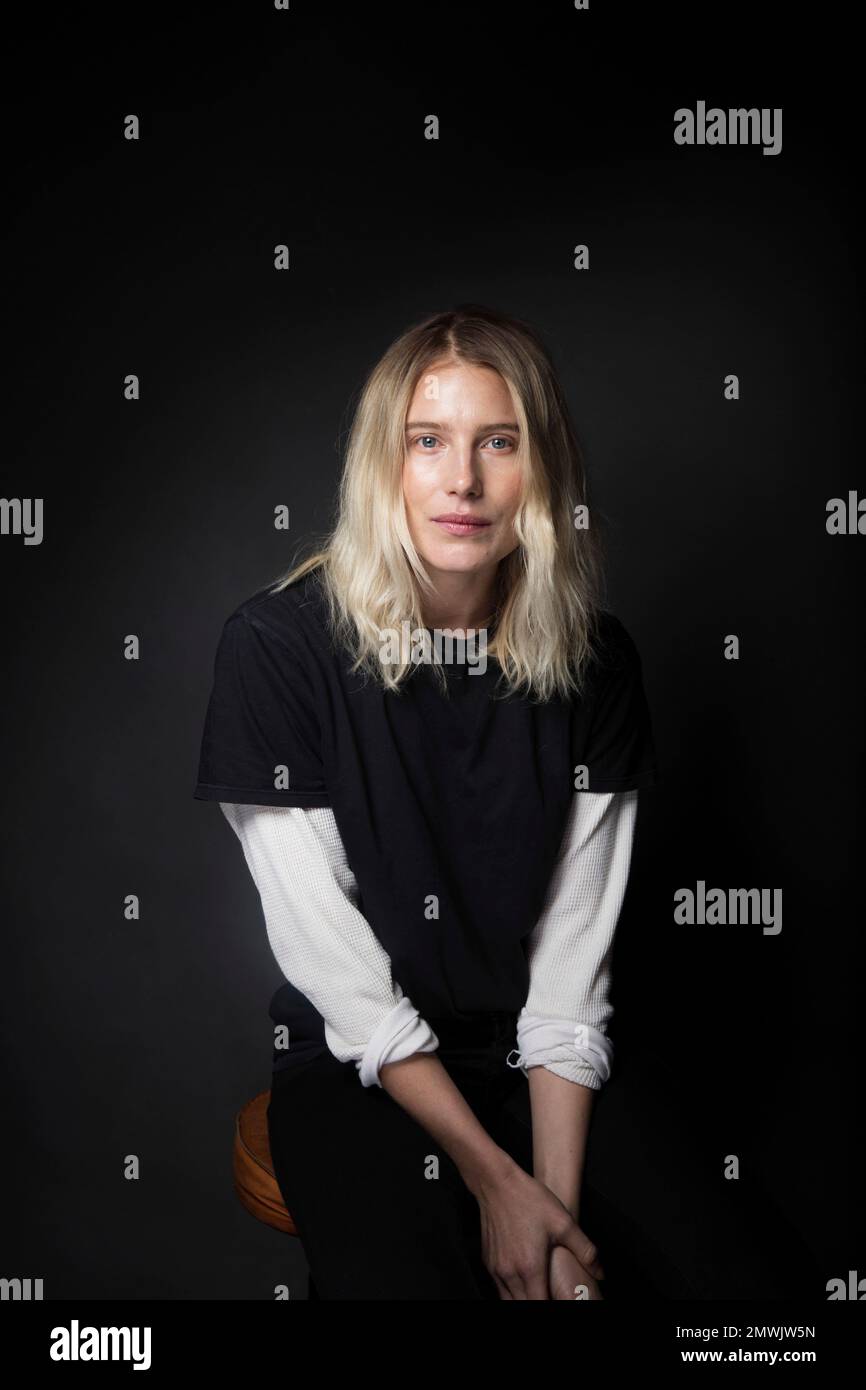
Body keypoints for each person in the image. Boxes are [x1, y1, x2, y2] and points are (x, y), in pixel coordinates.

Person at [193, 303, 662, 1300]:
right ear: (384, 466)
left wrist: (551, 1215)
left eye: (498, 441)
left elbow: (572, 966)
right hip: (360, 1063)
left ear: (539, 468)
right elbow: (336, 965)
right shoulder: (276, 650)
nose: (462, 480)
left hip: (539, 1059)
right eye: (427, 442)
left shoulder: (597, 663)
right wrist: (495, 1181)